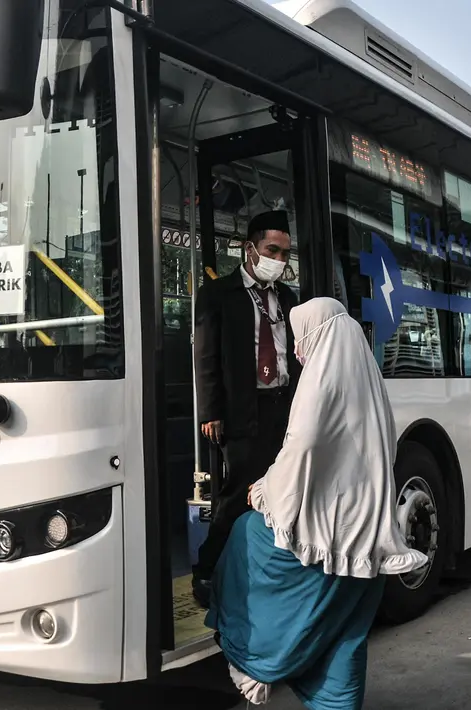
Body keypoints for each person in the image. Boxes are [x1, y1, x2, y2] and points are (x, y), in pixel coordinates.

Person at [205, 297, 428, 708]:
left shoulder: (320, 382)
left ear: (320, 336)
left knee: (244, 540)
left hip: (328, 541)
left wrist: (264, 491)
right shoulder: (370, 385)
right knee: (346, 640)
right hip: (370, 545)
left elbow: (301, 450)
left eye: (300, 337)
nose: (295, 349)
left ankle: (256, 663)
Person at [192, 210, 301, 608]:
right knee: (239, 492)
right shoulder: (219, 294)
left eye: (286, 253)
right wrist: (210, 412)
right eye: (272, 249)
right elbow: (205, 358)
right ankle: (208, 570)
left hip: (282, 406)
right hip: (242, 409)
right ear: (249, 248)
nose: (280, 259)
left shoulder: (288, 298)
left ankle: (268, 568)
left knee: (283, 490)